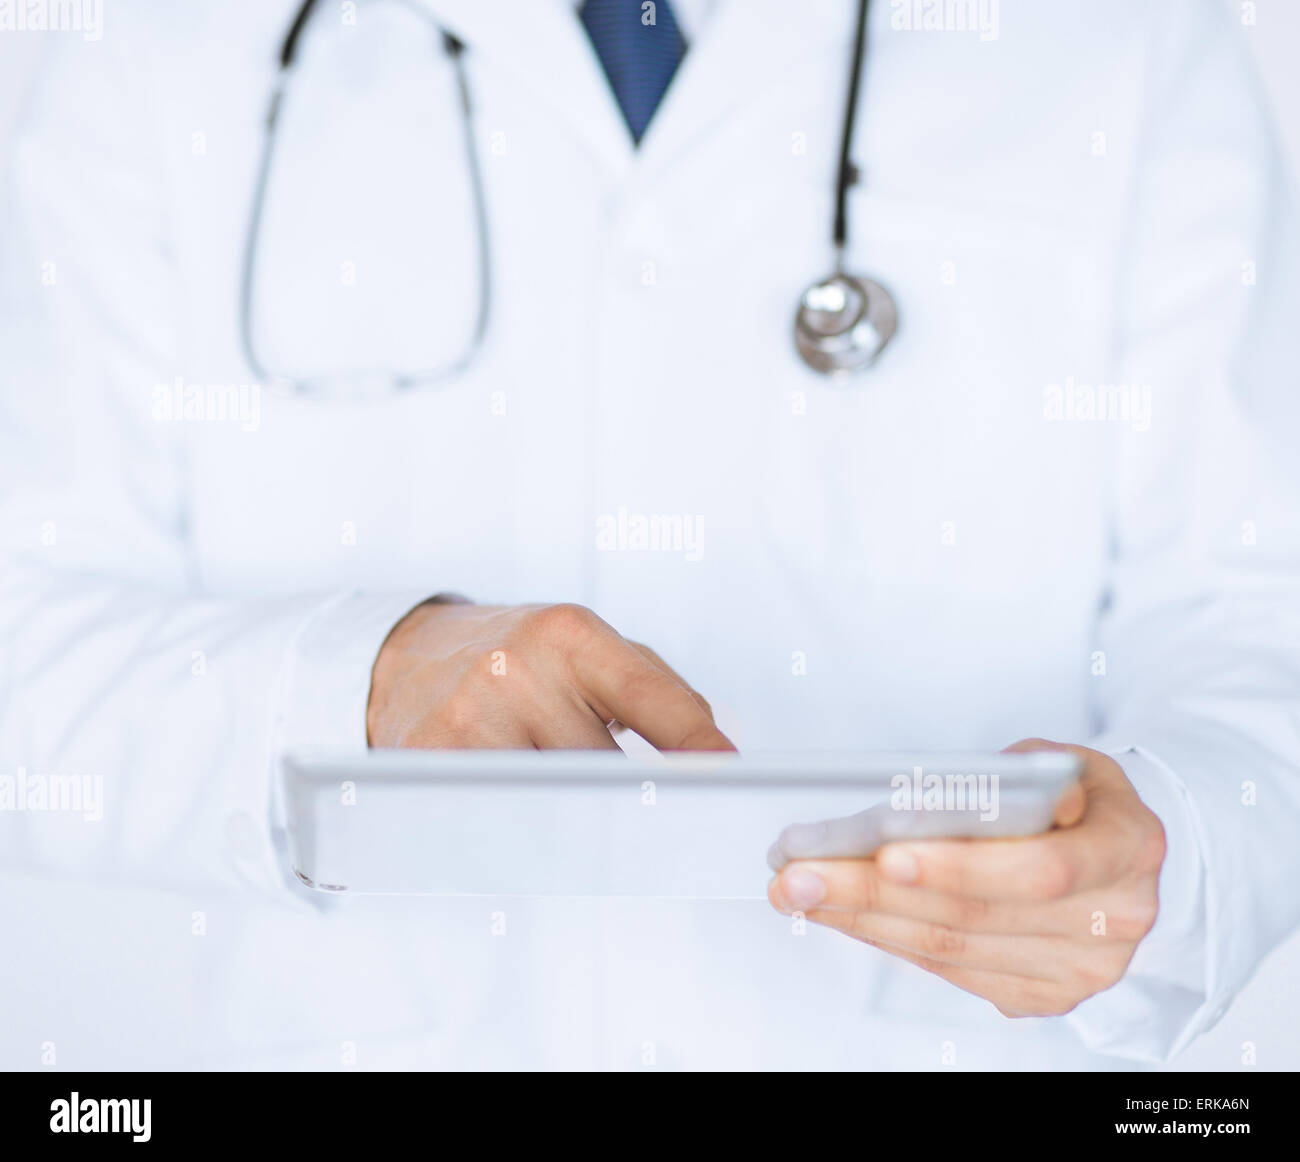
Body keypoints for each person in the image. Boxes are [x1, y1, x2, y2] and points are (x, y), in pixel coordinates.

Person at [1, 0, 1297, 1070]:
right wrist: (363, 683)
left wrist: (1171, 848)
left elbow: (1258, 621)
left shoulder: (1131, 37)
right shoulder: (141, 46)